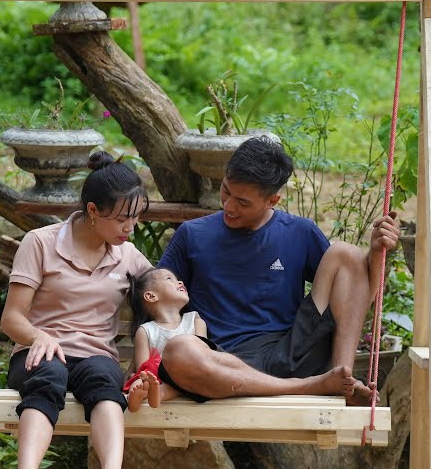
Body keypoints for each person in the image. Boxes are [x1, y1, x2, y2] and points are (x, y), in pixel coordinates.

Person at [156, 135, 400, 404]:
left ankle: (344, 381)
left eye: (243, 202)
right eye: (226, 191)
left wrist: (376, 254)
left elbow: (357, 299)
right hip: (221, 363)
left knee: (348, 254)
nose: (229, 206)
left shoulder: (300, 232)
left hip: (290, 353)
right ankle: (311, 386)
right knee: (179, 350)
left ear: (273, 200)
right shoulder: (192, 234)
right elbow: (158, 296)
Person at [0, 150, 153, 469]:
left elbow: (163, 296)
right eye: (121, 219)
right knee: (49, 377)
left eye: (134, 218)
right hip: (38, 354)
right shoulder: (40, 242)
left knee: (105, 380)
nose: (129, 228)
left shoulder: (128, 256)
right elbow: (11, 318)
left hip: (94, 356)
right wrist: (37, 336)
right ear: (93, 210)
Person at [121, 267, 207, 411]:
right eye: (169, 279)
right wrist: (143, 380)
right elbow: (144, 369)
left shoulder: (195, 321)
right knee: (140, 383)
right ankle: (135, 399)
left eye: (177, 279)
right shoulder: (146, 330)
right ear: (151, 296)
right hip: (157, 378)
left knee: (188, 380)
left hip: (189, 375)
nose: (179, 282)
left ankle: (157, 394)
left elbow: (204, 356)